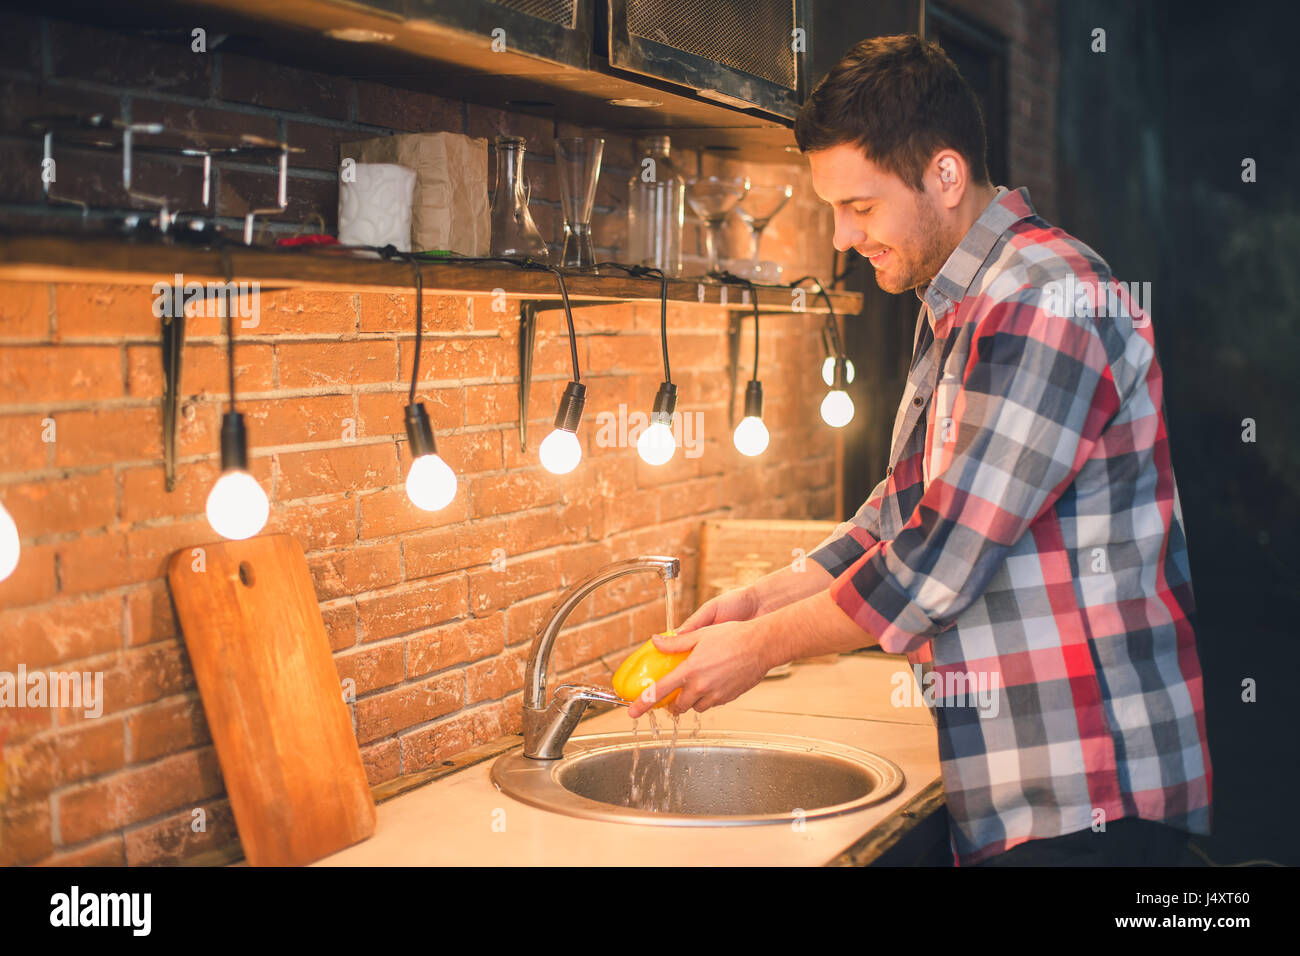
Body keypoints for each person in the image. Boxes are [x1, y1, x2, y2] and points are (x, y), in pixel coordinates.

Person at [625, 34, 1212, 867]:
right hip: (1032, 784)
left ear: (944, 175)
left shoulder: (1046, 300)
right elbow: (904, 510)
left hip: (1090, 794)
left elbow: (941, 559)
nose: (839, 237)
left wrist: (759, 650)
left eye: (859, 207)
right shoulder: (963, 302)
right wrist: (762, 599)